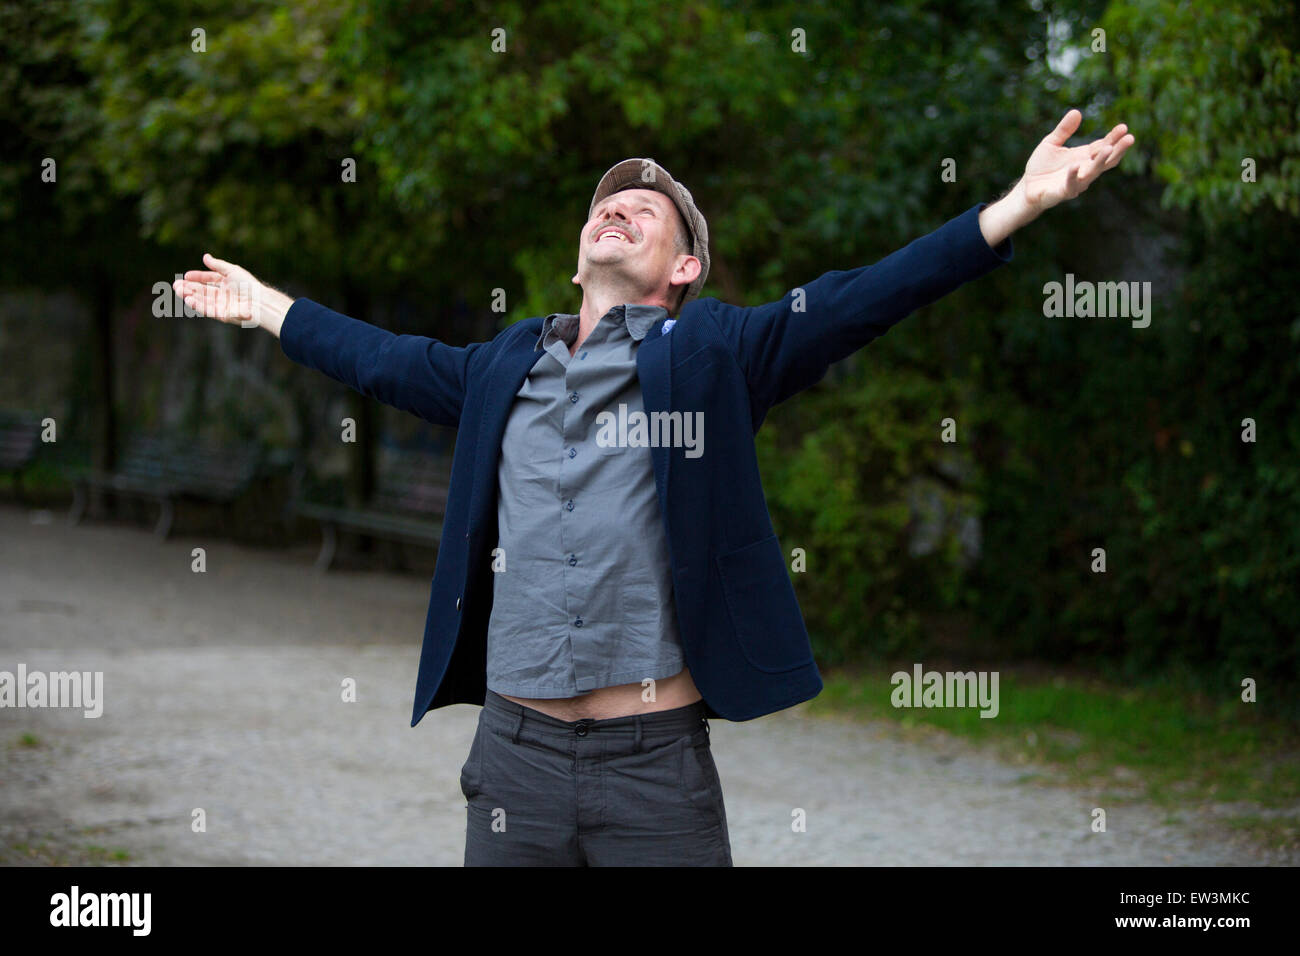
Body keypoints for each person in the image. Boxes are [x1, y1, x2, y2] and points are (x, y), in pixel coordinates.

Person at [175, 109, 1133, 866]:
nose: (617, 205)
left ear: (682, 268)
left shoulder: (717, 352)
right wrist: (266, 307)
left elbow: (860, 298)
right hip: (514, 760)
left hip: (655, 768)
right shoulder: (504, 365)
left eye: (646, 206)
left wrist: (1013, 206)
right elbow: (380, 358)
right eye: (606, 202)